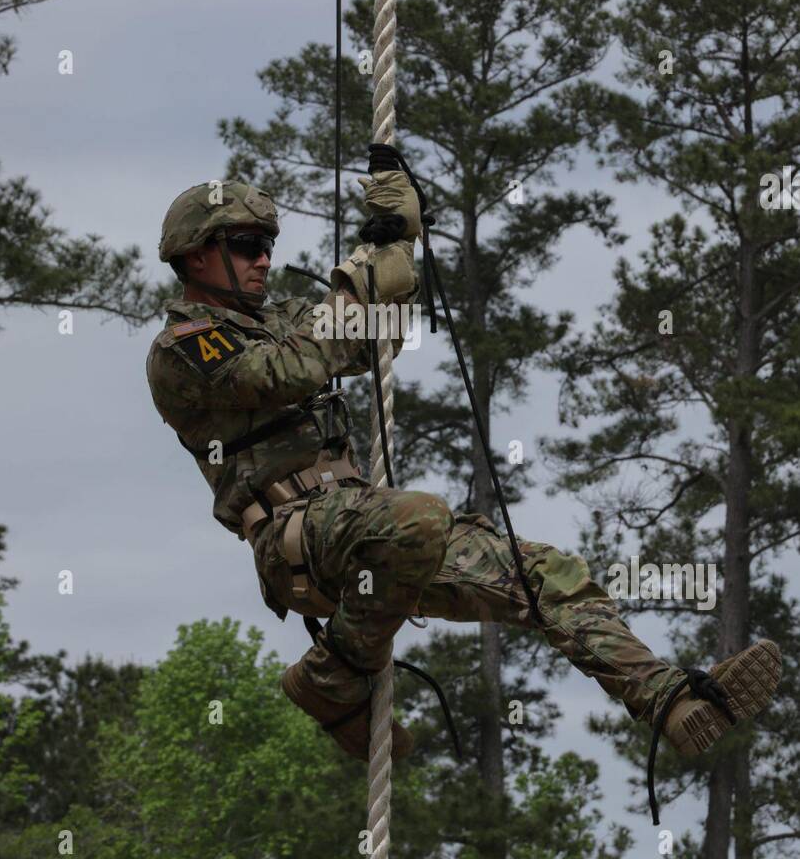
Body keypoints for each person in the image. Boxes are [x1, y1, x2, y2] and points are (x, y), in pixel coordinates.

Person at [146, 170, 780, 776]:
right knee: (417, 517)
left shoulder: (279, 317)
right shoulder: (186, 346)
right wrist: (361, 273)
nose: (263, 259)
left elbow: (372, 337)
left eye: (268, 246)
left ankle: (666, 698)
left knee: (544, 574)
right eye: (248, 245)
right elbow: (290, 371)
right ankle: (338, 667)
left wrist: (393, 243)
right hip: (294, 538)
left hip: (364, 526)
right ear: (197, 255)